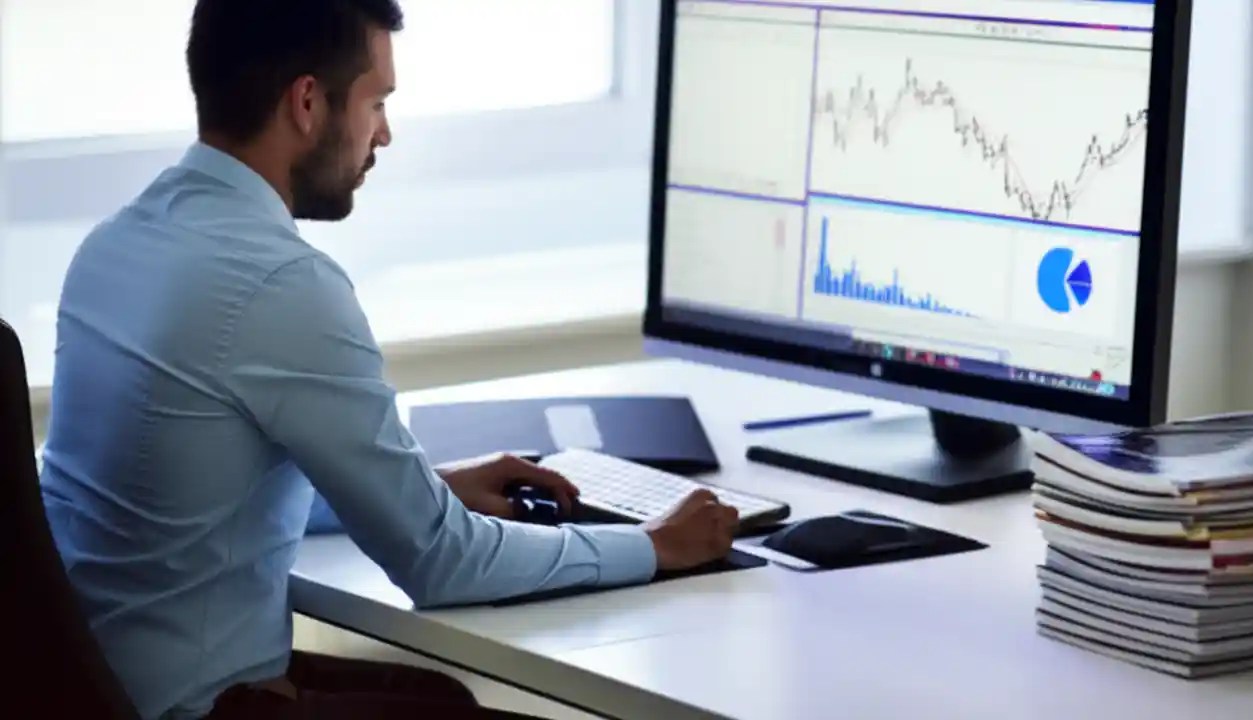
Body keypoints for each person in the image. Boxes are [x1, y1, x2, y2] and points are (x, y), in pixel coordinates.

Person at [37, 1, 740, 718]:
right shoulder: (282, 284)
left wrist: (420, 490)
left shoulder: (115, 246)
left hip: (96, 691)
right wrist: (654, 546)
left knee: (441, 696)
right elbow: (442, 563)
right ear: (308, 102)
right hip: (208, 708)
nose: (385, 133)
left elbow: (191, 493)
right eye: (376, 101)